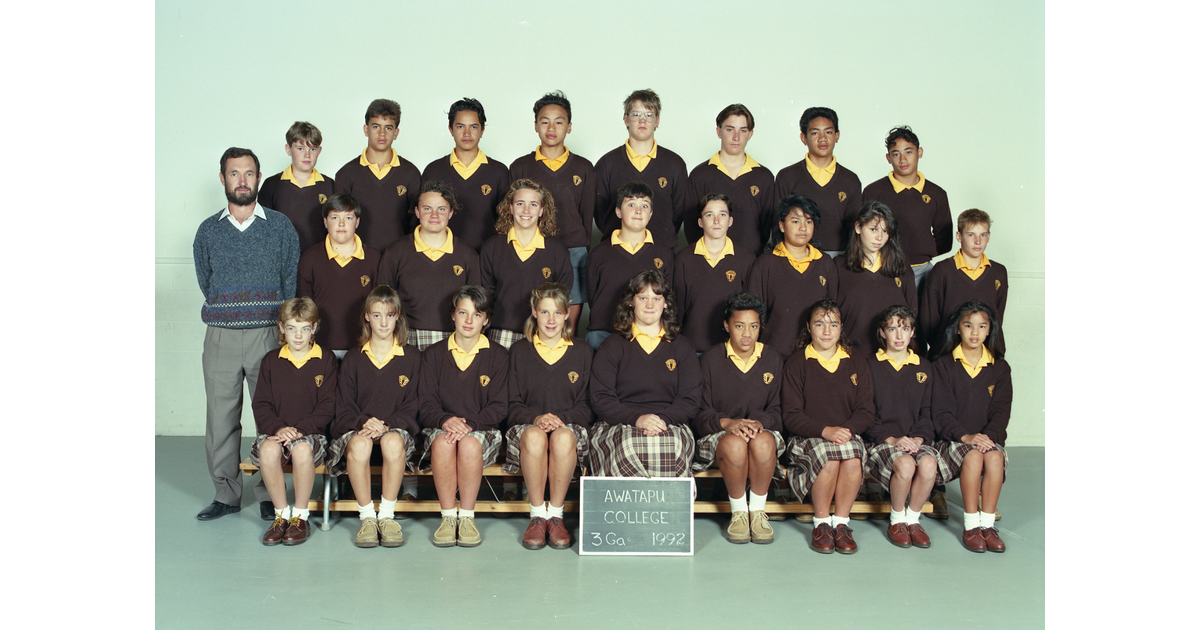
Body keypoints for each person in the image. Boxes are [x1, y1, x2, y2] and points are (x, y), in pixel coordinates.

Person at [193, 147, 301, 522]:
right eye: (234, 173)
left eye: (249, 173)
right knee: (221, 419)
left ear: (259, 177)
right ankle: (225, 494)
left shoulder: (280, 226)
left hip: (267, 336)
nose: (242, 180)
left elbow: (290, 281)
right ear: (222, 179)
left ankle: (270, 492)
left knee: (271, 419)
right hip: (221, 335)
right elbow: (207, 283)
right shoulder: (208, 230)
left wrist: (284, 331)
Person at [325, 286, 422, 548]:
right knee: (360, 443)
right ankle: (367, 517)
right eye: (377, 315)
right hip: (360, 428)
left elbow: (414, 405)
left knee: (392, 442)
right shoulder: (354, 359)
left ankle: (387, 516)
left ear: (398, 316)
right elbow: (343, 407)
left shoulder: (411, 357)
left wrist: (388, 425)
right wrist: (363, 422)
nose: (383, 322)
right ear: (367, 316)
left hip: (396, 428)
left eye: (389, 315)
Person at [418, 286, 509, 547]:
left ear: (487, 319)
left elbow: (500, 406)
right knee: (445, 442)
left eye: (477, 314)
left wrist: (470, 425)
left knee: (468, 444)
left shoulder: (499, 356)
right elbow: (426, 404)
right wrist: (446, 421)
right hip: (442, 427)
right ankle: (448, 517)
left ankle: (467, 517)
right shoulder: (434, 355)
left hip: (483, 429)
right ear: (453, 316)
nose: (469, 321)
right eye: (463, 312)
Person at [782, 299, 874, 554]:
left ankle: (841, 524)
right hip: (808, 437)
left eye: (833, 324)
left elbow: (866, 409)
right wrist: (825, 431)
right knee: (829, 458)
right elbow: (791, 415)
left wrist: (845, 430)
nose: (826, 331)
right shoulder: (798, 363)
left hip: (846, 434)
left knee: (853, 458)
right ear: (809, 328)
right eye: (820, 324)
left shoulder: (856, 361)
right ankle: (822, 523)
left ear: (841, 327)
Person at [504, 283, 593, 550]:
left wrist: (560, 419)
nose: (551, 320)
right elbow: (511, 403)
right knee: (534, 437)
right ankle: (536, 517)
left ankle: (555, 515)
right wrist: (537, 419)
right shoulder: (519, 351)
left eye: (557, 312)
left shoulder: (582, 351)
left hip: (569, 426)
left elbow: (588, 405)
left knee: (563, 437)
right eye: (544, 312)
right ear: (534, 312)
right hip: (528, 426)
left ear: (567, 314)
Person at [692, 293, 785, 544]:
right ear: (726, 326)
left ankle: (757, 511)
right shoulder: (710, 359)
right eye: (739, 326)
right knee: (735, 443)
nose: (747, 333)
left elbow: (779, 411)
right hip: (721, 435)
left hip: (760, 432)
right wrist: (729, 423)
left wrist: (756, 423)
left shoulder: (773, 359)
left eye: (754, 326)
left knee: (762, 441)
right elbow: (699, 413)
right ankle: (739, 513)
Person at [589, 270, 700, 478]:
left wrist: (663, 419)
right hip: (620, 424)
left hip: (669, 424)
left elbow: (690, 399)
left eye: (656, 298)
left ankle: (665, 511)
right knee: (628, 446)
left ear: (665, 304)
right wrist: (637, 419)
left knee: (672, 445)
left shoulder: (682, 347)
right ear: (631, 302)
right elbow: (600, 398)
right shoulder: (612, 345)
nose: (650, 305)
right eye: (643, 298)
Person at [251, 297, 337, 546]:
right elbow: (261, 405)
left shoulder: (326, 359)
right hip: (277, 432)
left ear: (315, 328)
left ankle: (300, 516)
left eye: (304, 329)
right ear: (281, 328)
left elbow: (327, 407)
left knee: (300, 449)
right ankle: (280, 516)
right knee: (268, 449)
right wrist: (279, 429)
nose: (298, 336)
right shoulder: (270, 361)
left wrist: (299, 431)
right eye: (291, 328)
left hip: (311, 435)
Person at [509, 91, 595, 332]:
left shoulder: (583, 167)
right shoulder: (520, 167)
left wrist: (580, 244)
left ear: (569, 127)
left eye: (559, 121)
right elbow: (512, 212)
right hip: (533, 247)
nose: (551, 127)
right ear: (536, 125)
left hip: (573, 249)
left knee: (571, 307)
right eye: (545, 121)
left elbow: (587, 216)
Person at [931, 301, 1012, 553]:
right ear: (958, 329)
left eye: (981, 326)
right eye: (968, 325)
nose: (974, 332)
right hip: (954, 441)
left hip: (987, 439)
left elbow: (1001, 413)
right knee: (975, 456)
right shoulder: (943, 365)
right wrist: (966, 436)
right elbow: (941, 413)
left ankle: (987, 525)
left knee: (995, 457)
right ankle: (971, 525)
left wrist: (988, 437)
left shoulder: (999, 368)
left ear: (990, 331)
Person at [864, 305, 947, 549]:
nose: (899, 336)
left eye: (905, 329)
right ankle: (897, 519)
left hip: (914, 440)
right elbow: (866, 413)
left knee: (929, 463)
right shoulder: (869, 366)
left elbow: (927, 413)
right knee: (906, 464)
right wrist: (891, 439)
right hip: (882, 441)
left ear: (912, 333)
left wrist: (919, 439)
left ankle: (913, 519)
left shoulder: (924, 367)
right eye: (892, 329)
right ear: (882, 333)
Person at [378, 180, 481, 350]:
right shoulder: (395, 252)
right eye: (427, 208)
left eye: (441, 209)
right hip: (406, 337)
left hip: (453, 338)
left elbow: (475, 304)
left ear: (451, 213)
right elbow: (383, 300)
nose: (435, 215)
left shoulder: (467, 255)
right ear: (417, 212)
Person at [480, 179, 573, 349]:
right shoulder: (492, 247)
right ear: (510, 207)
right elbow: (486, 296)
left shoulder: (558, 252)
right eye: (520, 203)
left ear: (542, 210)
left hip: (542, 333)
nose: (526, 210)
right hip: (500, 333)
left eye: (533, 204)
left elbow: (561, 299)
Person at [585, 181, 675, 349]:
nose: (638, 211)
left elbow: (667, 297)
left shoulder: (664, 254)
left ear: (651, 213)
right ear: (618, 211)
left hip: (648, 336)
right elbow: (592, 296)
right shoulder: (598, 253)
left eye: (645, 206)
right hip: (603, 334)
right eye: (631, 204)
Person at [594, 89, 688, 249]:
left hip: (661, 251)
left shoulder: (675, 164)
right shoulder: (607, 163)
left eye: (649, 115)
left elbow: (678, 213)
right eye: (636, 114)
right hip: (617, 252)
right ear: (626, 119)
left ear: (657, 120)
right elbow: (600, 213)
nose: (642, 121)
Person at [746, 195, 839, 356]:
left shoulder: (825, 263)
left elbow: (833, 311)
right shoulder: (765, 264)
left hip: (816, 355)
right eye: (796, 221)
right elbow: (754, 315)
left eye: (809, 222)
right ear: (782, 225)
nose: (803, 228)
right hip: (774, 354)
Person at [861, 126, 953, 287]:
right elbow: (861, 234)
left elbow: (945, 239)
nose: (903, 159)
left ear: (920, 152)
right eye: (896, 154)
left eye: (908, 152)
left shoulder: (936, 194)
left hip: (922, 271)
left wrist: (922, 251)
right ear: (888, 158)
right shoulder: (874, 192)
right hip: (884, 269)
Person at [296, 193, 380, 358]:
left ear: (357, 222)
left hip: (363, 349)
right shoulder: (310, 258)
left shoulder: (374, 258)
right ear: (325, 222)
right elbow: (303, 309)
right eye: (335, 217)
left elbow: (381, 308)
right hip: (320, 349)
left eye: (348, 217)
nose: (341, 223)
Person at [422, 98, 511, 252]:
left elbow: (507, 222)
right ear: (451, 129)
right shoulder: (433, 170)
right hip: (441, 257)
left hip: (486, 258)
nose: (467, 133)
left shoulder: (499, 172)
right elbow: (421, 219)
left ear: (482, 130)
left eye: (474, 127)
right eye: (460, 126)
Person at [684, 104, 775, 253]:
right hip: (709, 262)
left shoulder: (763, 177)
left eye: (743, 130)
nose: (736, 137)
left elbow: (766, 226)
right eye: (730, 129)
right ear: (719, 132)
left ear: (750, 134)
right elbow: (691, 224)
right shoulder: (700, 175)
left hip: (751, 262)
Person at [772, 107, 862, 257]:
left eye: (828, 132)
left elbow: (855, 228)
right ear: (804, 138)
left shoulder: (850, 180)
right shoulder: (787, 177)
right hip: (797, 256)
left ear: (837, 136)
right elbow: (777, 224)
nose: (822, 138)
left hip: (839, 257)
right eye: (815, 133)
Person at [333, 98, 422, 251]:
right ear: (366, 129)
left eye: (388, 128)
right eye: (376, 126)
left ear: (396, 133)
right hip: (357, 259)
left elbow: (417, 222)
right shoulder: (346, 174)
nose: (382, 133)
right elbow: (338, 224)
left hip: (399, 258)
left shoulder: (410, 173)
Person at [920, 208, 1008, 357]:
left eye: (983, 235)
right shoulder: (942, 271)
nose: (978, 241)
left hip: (986, 356)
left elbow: (997, 316)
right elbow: (929, 319)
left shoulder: (998, 272)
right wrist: (944, 346)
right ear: (959, 236)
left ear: (989, 236)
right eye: (971, 234)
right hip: (947, 356)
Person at [672, 193, 754, 352]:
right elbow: (677, 309)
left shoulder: (747, 259)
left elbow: (750, 312)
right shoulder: (683, 259)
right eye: (710, 215)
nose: (716, 221)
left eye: (722, 215)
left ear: (730, 221)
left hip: (732, 350)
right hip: (692, 348)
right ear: (700, 222)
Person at [834, 201, 918, 353]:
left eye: (885, 231)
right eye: (873, 229)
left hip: (892, 354)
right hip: (851, 352)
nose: (879, 237)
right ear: (858, 227)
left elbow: (912, 312)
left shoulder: (901, 267)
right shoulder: (839, 266)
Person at [258, 121, 335, 253]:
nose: (307, 155)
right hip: (282, 260)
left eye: (313, 149)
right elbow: (262, 229)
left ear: (319, 151)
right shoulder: (271, 185)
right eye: (300, 148)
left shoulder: (330, 185)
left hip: (320, 260)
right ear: (288, 149)